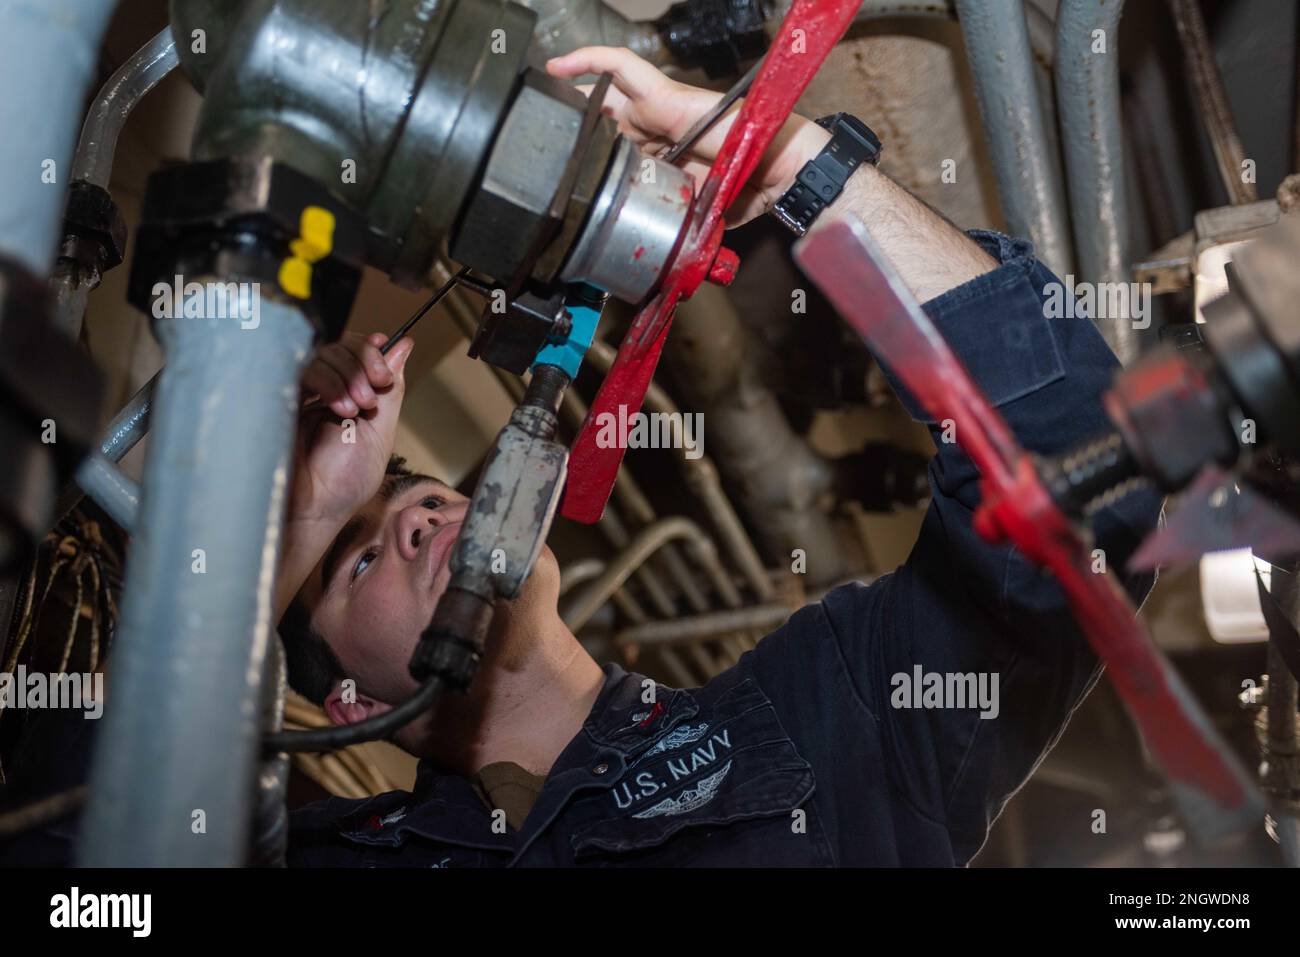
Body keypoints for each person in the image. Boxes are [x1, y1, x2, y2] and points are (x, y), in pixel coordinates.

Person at [281, 46, 1161, 867]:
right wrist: (309, 516)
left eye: (430, 499)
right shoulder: (333, 852)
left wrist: (789, 168)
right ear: (352, 703)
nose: (426, 522)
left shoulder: (825, 713)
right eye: (360, 558)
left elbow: (1079, 463)